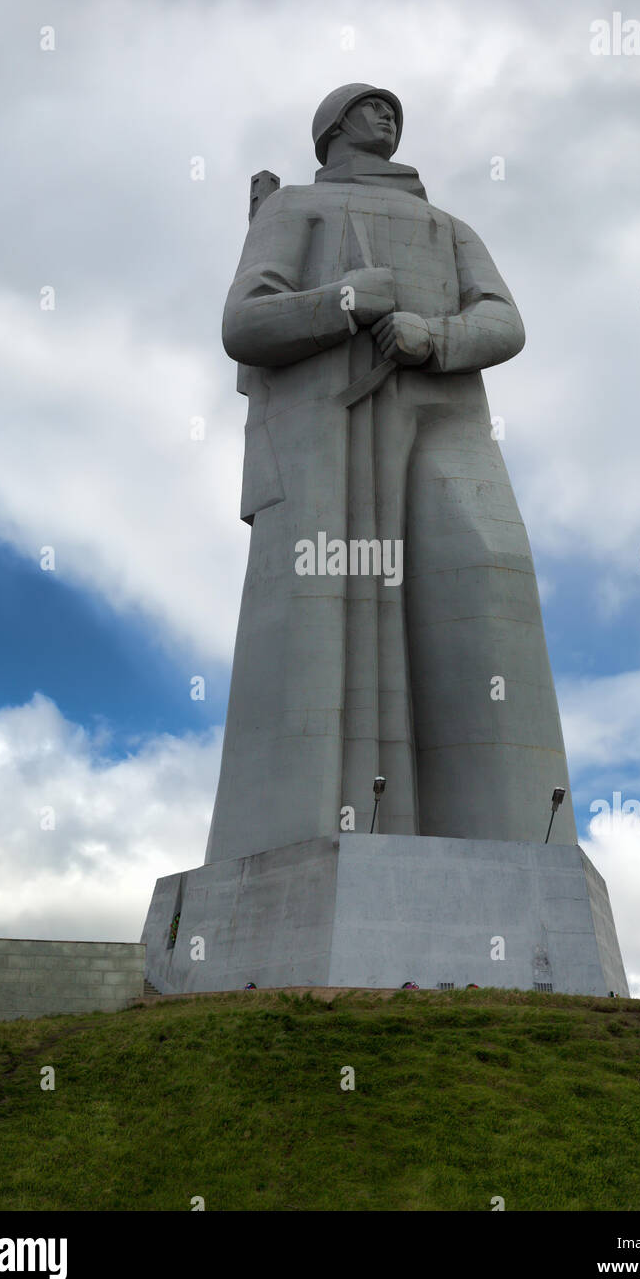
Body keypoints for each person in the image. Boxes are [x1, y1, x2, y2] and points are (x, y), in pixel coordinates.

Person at [206, 84, 577, 863]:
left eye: (395, 111)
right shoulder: (293, 208)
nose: (389, 118)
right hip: (328, 435)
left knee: (487, 578)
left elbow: (504, 321)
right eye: (370, 108)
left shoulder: (449, 227)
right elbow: (244, 323)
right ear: (333, 128)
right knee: (326, 623)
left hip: (444, 422)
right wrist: (345, 301)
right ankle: (308, 837)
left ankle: (515, 852)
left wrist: (431, 334)